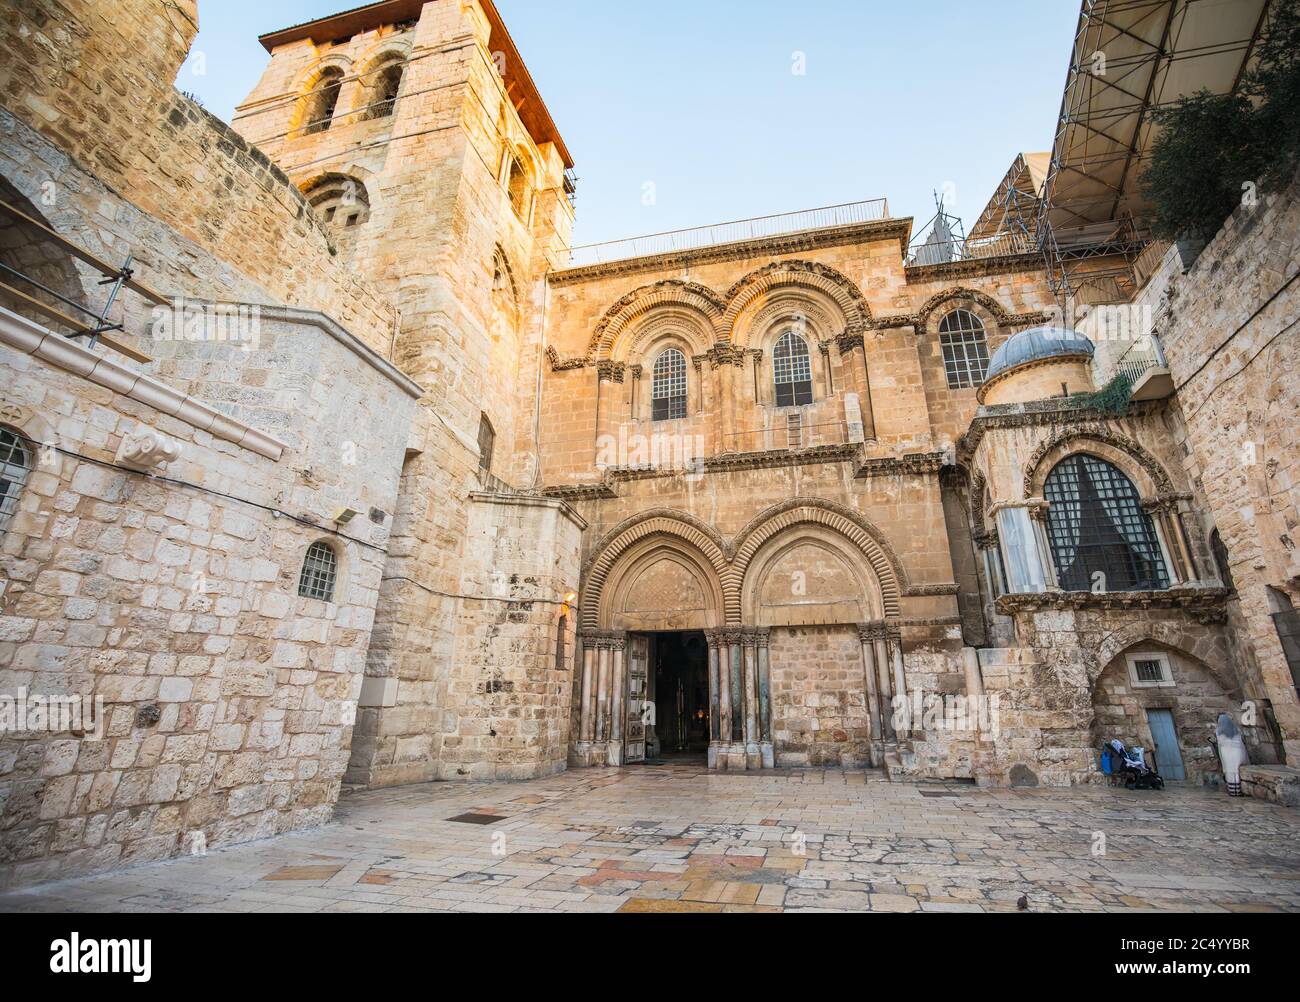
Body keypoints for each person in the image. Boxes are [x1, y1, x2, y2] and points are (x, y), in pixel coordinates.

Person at [1211, 713, 1250, 797]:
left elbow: (1219, 743)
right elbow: (1241, 743)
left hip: (1226, 753)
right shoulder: (1236, 731)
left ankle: (1233, 791)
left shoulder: (1219, 731)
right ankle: (1238, 790)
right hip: (1237, 752)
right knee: (1236, 771)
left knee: (1230, 771)